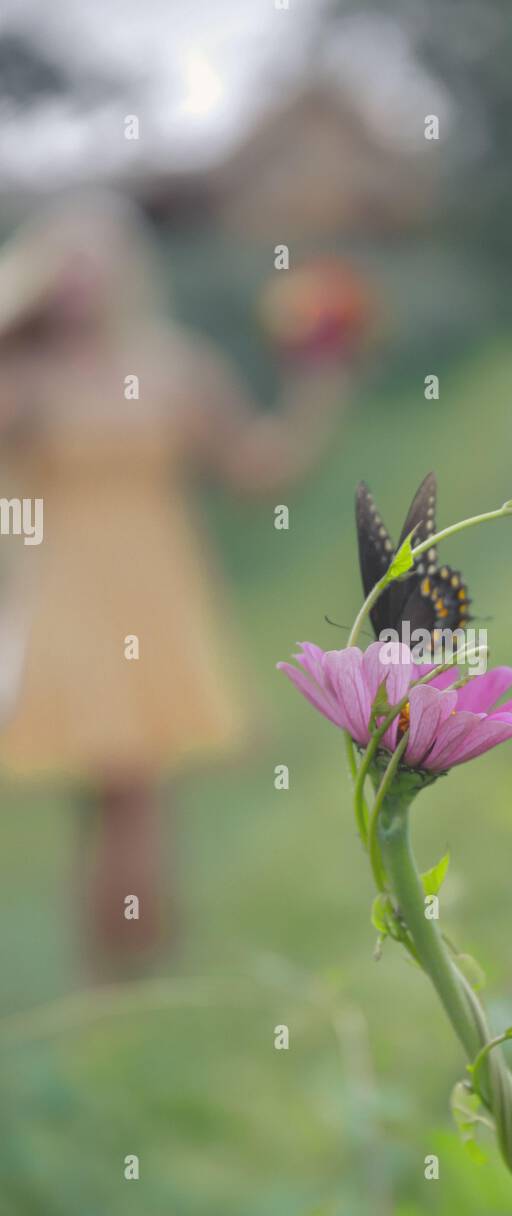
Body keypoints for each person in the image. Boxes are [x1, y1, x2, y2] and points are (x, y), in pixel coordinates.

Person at [0, 191, 355, 979]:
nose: (79, 283)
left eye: (95, 265)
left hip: (156, 591)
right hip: (64, 593)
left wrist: (317, 385)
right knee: (114, 792)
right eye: (65, 266)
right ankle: (129, 979)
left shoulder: (176, 367)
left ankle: (129, 979)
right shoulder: (23, 373)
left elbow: (258, 471)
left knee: (136, 788)